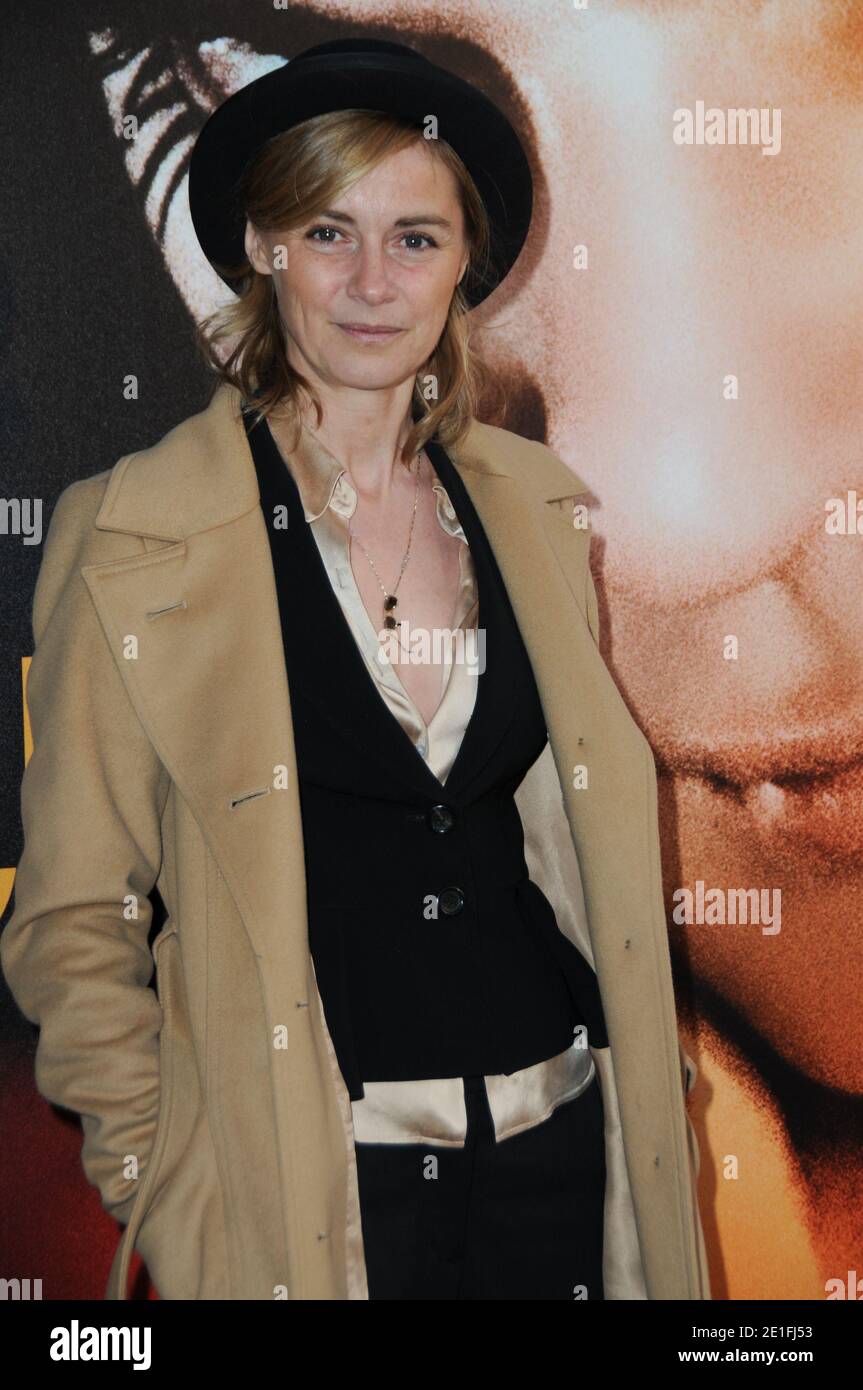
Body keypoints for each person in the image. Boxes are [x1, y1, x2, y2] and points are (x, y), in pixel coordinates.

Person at [1, 37, 710, 1300]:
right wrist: (173, 1192)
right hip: (323, 1197)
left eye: (416, 238)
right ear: (264, 252)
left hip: (564, 1159)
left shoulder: (537, 511)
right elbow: (71, 931)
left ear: (462, 267)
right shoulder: (135, 535)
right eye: (329, 233)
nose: (373, 282)